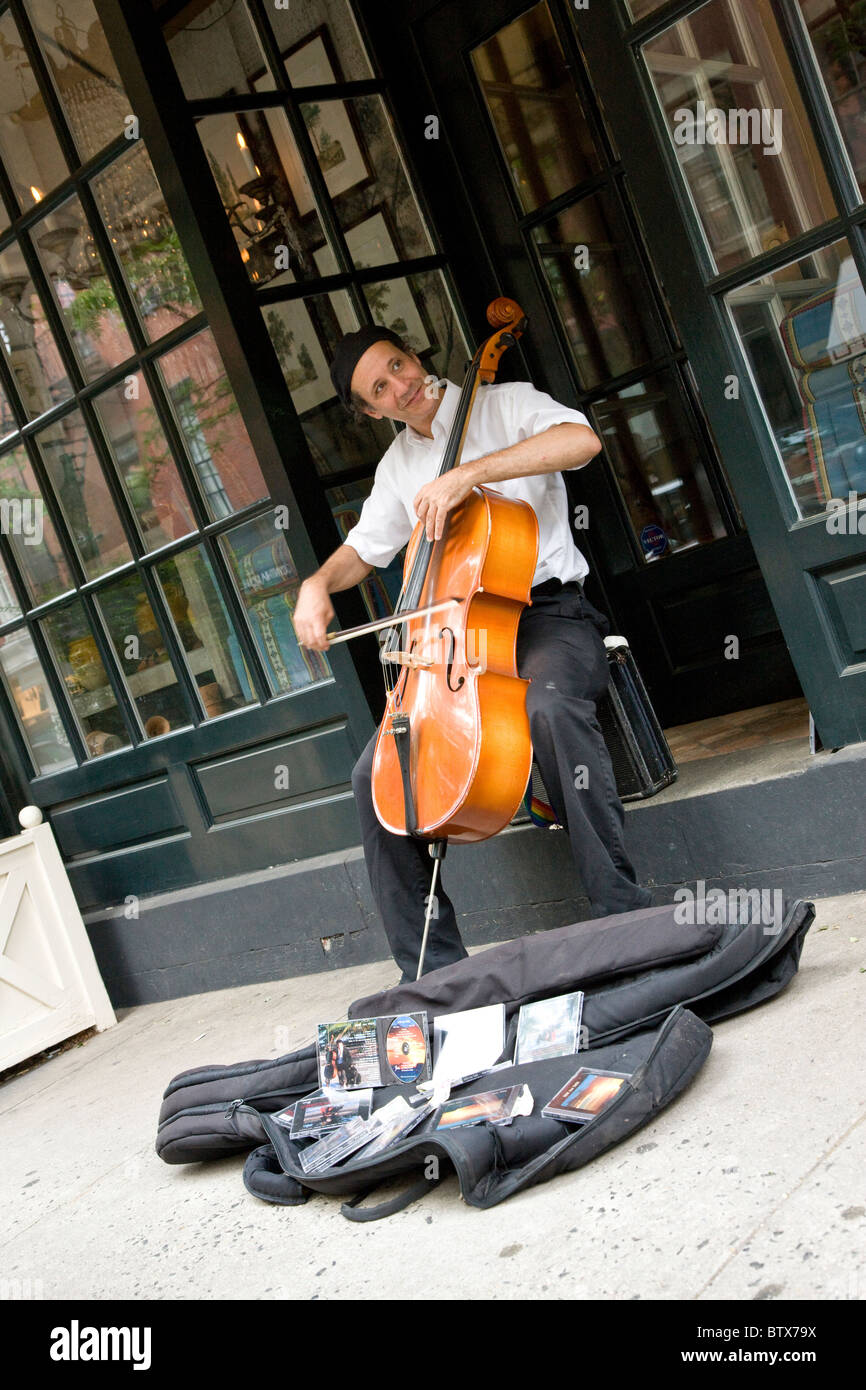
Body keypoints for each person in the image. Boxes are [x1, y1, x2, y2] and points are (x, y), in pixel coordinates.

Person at [292, 325, 652, 982]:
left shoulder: (504, 403)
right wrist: (317, 585)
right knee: (375, 777)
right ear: (373, 411)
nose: (402, 385)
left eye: (399, 365)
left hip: (548, 617)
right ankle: (433, 973)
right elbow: (363, 550)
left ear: (416, 355)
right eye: (381, 388)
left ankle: (620, 915)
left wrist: (469, 474)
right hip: (456, 640)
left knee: (547, 708)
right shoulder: (397, 466)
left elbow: (582, 441)